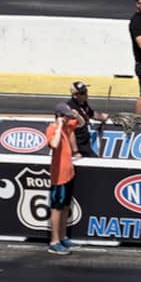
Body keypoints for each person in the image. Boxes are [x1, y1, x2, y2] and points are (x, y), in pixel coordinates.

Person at [45, 103, 81, 255]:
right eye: (65, 116)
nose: (68, 118)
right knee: (57, 208)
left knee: (65, 206)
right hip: (58, 175)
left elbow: (82, 123)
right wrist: (59, 126)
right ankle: (54, 241)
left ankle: (62, 235)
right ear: (59, 116)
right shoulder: (53, 129)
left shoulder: (68, 127)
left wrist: (76, 115)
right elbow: (54, 143)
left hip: (68, 173)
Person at [68, 82, 105, 158]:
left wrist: (102, 116)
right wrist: (75, 152)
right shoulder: (71, 108)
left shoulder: (83, 104)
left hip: (85, 144)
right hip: (79, 146)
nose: (86, 94)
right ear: (75, 95)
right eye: (82, 93)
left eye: (86, 91)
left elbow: (91, 114)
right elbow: (70, 132)